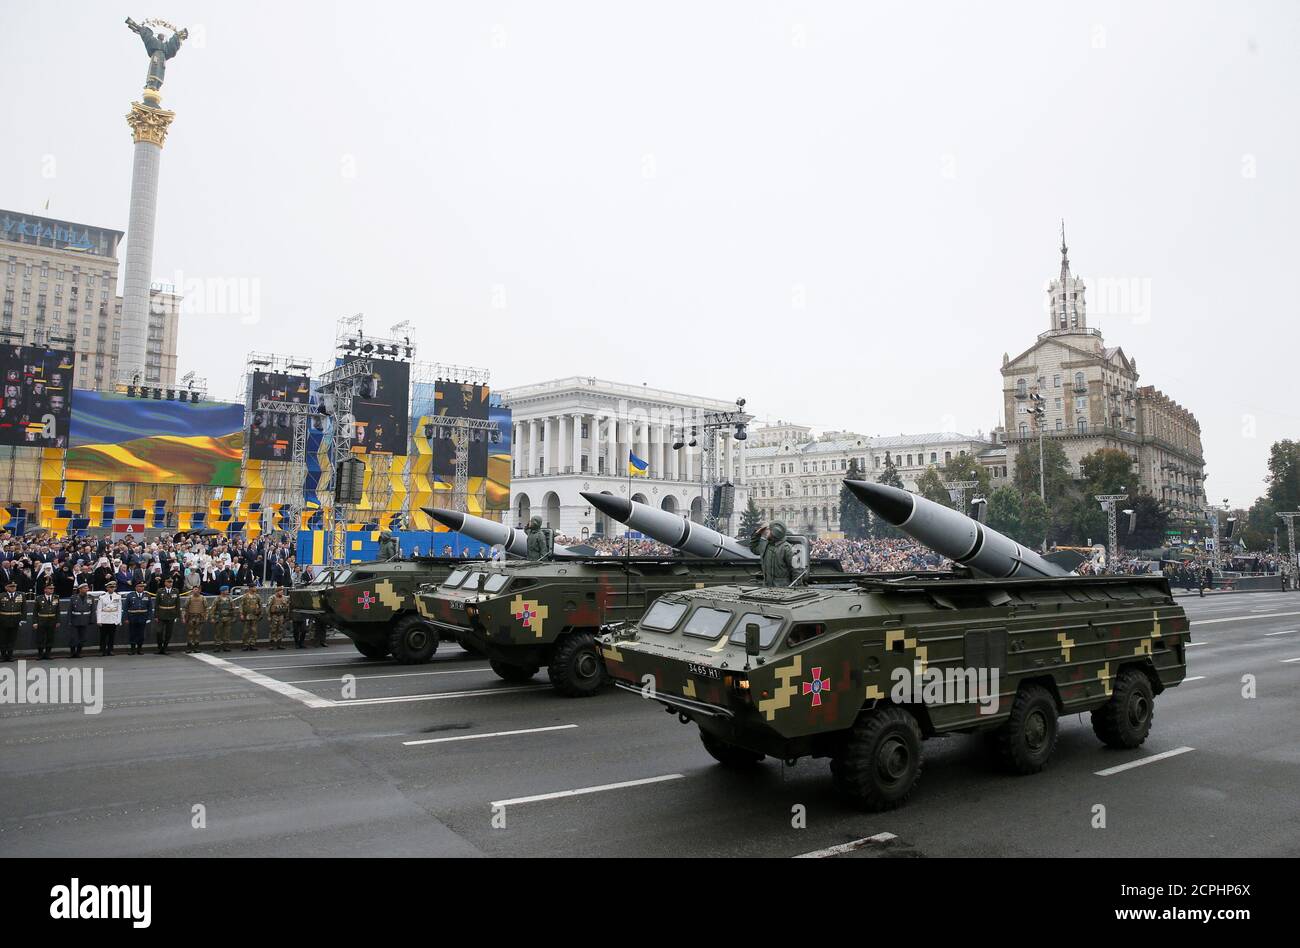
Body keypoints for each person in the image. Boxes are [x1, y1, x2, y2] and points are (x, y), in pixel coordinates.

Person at [749, 521, 795, 588]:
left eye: (769, 530)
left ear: (775, 533)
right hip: (767, 586)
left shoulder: (786, 548)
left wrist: (796, 587)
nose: (766, 531)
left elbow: (795, 570)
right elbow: (754, 549)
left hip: (782, 587)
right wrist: (757, 534)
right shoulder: (766, 545)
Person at [125, 579, 153, 655]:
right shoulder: (130, 595)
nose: (141, 588)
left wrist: (149, 618)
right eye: (140, 586)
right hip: (132, 617)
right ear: (136, 587)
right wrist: (126, 618)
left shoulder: (147, 595)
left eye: (143, 586)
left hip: (143, 617)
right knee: (132, 634)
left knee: (141, 634)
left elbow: (150, 608)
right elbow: (126, 608)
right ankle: (132, 650)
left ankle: (139, 649)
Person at [33, 582, 60, 660]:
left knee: (50, 637)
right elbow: (35, 612)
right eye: (50, 588)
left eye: (53, 588)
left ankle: (48, 654)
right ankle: (40, 654)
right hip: (42, 620)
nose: (52, 590)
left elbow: (58, 610)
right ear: (45, 589)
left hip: (52, 620)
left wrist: (58, 621)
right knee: (40, 638)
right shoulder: (39, 598)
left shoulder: (56, 597)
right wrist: (35, 622)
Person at [68, 582, 95, 659]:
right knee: (73, 637)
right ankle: (72, 652)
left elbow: (92, 609)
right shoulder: (73, 598)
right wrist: (69, 620)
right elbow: (70, 610)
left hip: (85, 619)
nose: (87, 589)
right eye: (85, 588)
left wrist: (91, 620)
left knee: (82, 637)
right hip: (75, 619)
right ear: (80, 589)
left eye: (87, 588)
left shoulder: (90, 598)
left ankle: (78, 652)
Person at [155, 575, 181, 654]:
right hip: (162, 614)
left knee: (168, 633)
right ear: (165, 583)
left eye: (171, 582)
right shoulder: (160, 591)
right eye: (168, 582)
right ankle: (160, 646)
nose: (170, 584)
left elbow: (178, 604)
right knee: (159, 632)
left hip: (171, 614)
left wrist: (177, 615)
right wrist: (156, 615)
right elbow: (156, 604)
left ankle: (165, 648)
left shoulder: (175, 591)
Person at [97, 580, 123, 656]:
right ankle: (102, 650)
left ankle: (110, 650)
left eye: (113, 587)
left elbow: (119, 608)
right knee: (103, 636)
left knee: (112, 636)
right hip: (104, 619)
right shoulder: (102, 597)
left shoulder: (118, 596)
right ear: (107, 588)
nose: (112, 589)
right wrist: (99, 620)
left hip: (113, 618)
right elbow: (99, 609)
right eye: (110, 587)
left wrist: (119, 620)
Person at [0, 579, 23, 661]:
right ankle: (3, 655)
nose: (13, 588)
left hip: (15, 620)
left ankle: (10, 655)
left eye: (14, 586)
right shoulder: (1, 596)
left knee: (12, 639)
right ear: (6, 587)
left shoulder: (20, 595)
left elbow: (23, 608)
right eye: (11, 586)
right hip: (3, 620)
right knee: (3, 639)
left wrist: (22, 619)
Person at [208, 586, 236, 652]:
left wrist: (234, 616)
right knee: (218, 633)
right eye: (226, 590)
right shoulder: (217, 599)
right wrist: (212, 617)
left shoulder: (229, 599)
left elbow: (233, 608)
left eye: (227, 590)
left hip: (228, 618)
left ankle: (226, 646)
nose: (227, 591)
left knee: (227, 633)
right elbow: (213, 609)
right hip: (219, 618)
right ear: (222, 591)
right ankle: (217, 646)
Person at [183, 586, 207, 652]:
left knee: (198, 633)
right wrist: (183, 617)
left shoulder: (203, 598)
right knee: (190, 633)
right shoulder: (189, 598)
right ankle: (189, 647)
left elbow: (206, 608)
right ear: (192, 590)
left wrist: (205, 616)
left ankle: (196, 647)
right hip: (190, 617)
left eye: (197, 589)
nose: (195, 591)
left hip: (199, 617)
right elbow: (185, 608)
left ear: (199, 590)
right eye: (194, 589)